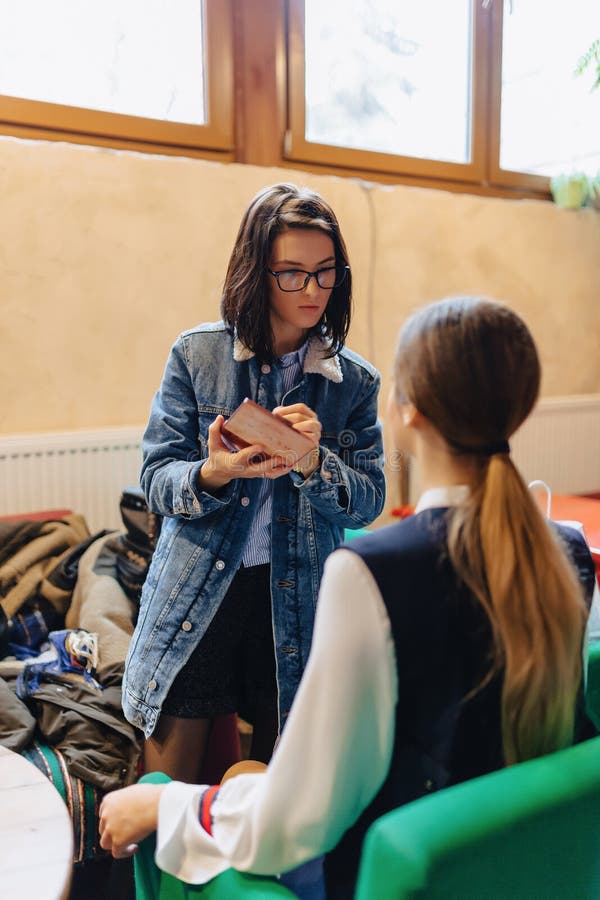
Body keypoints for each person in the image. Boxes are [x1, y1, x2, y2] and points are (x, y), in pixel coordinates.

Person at [102, 296, 596, 898]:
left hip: (374, 872)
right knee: (247, 771)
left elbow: (295, 824)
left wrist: (166, 807)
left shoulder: (369, 574)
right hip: (505, 865)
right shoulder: (565, 552)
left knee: (177, 796)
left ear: (405, 408)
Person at [121, 182, 386, 782]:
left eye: (326, 272)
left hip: (297, 597)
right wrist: (212, 474)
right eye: (292, 273)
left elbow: (369, 503)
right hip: (199, 590)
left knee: (276, 793)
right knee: (166, 797)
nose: (313, 290)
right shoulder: (198, 355)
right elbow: (157, 478)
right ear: (256, 272)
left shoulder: (354, 383)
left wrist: (316, 461)